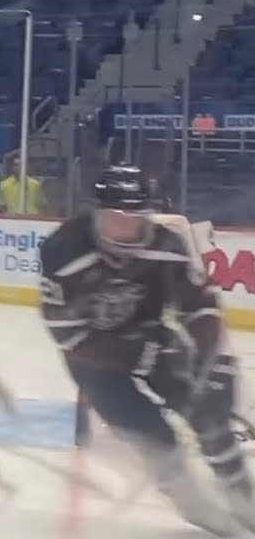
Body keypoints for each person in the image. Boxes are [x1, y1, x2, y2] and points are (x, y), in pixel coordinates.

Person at [40, 164, 255, 535]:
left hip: (154, 337)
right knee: (154, 435)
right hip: (94, 363)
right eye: (116, 218)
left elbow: (199, 307)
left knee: (210, 415)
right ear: (96, 212)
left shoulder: (167, 246)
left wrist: (214, 362)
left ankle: (242, 496)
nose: (126, 227)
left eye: (135, 217)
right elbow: (67, 333)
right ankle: (193, 503)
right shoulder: (64, 250)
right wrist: (134, 354)